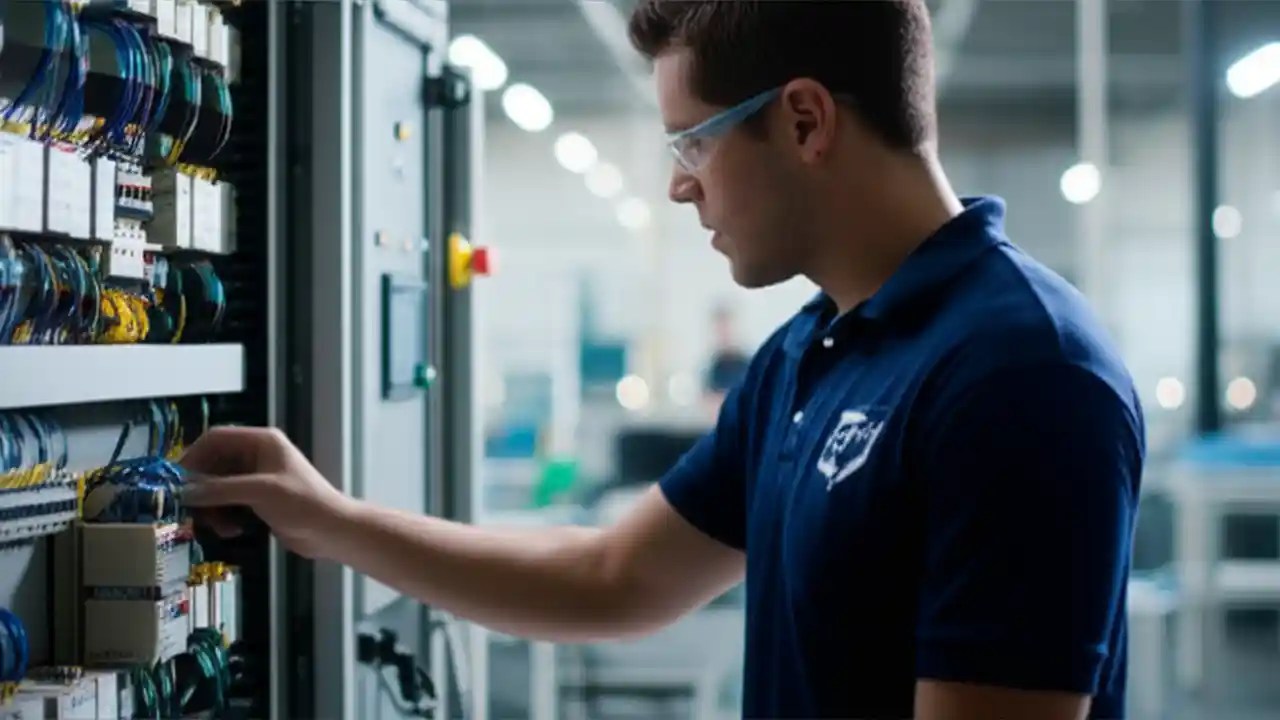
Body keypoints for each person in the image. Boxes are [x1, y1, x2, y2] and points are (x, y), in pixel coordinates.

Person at [182, 2, 1145, 718]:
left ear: (804, 121)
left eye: (693, 142)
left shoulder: (1025, 376)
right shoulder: (806, 356)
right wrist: (332, 522)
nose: (681, 187)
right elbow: (614, 576)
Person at [702, 303, 750, 410]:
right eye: (719, 330)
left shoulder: (748, 366)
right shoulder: (713, 369)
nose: (724, 334)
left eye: (726, 328)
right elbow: (707, 401)